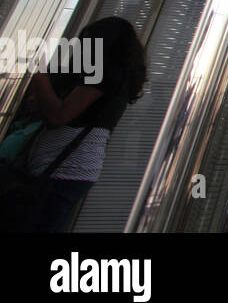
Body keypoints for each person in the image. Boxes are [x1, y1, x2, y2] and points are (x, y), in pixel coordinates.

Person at [22, 16, 147, 232]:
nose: (82, 46)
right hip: (67, 171)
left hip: (63, 171)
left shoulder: (103, 76)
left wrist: (38, 74)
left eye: (89, 40)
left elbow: (59, 116)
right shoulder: (116, 80)